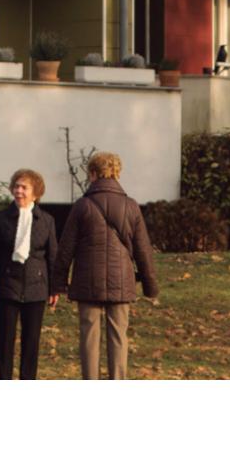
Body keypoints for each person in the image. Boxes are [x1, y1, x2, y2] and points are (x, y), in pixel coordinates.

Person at [51, 150, 159, 380]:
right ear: (117, 173)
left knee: (89, 336)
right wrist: (150, 286)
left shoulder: (83, 205)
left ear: (92, 174)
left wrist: (58, 283)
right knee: (119, 335)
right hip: (121, 281)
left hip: (87, 281)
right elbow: (143, 250)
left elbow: (65, 248)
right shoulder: (131, 206)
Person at [0, 168, 58, 380]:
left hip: (37, 288)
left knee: (31, 342)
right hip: (7, 286)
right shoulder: (0, 219)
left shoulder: (47, 221)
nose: (19, 191)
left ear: (36, 193)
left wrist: (55, 288)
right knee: (5, 340)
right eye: (16, 186)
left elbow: (52, 256)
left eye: (24, 187)